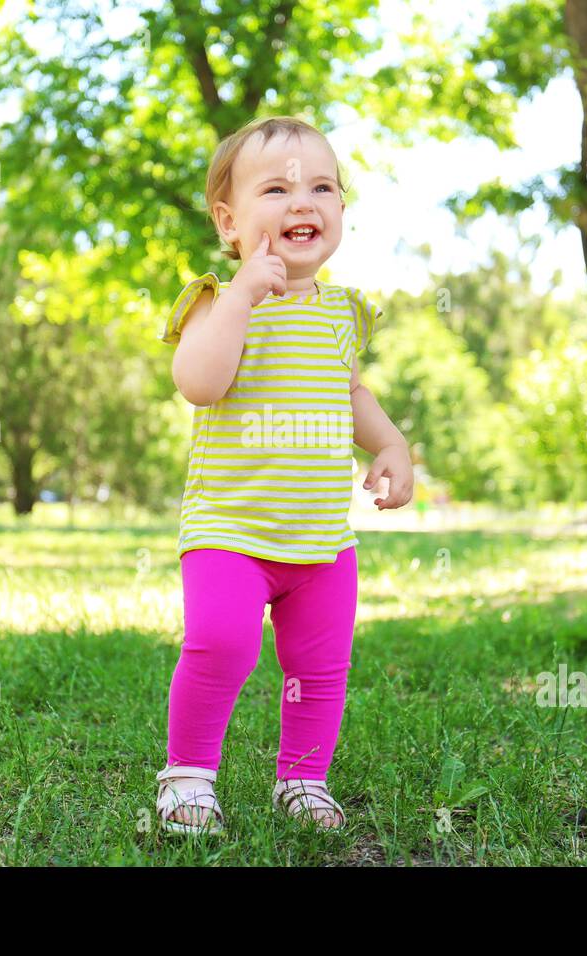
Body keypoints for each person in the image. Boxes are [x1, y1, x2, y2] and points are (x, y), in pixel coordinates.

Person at [155, 116, 413, 833]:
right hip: (229, 529)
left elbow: (350, 392)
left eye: (322, 187)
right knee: (223, 644)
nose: (304, 201)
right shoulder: (215, 299)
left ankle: (302, 781)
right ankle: (188, 778)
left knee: (320, 665)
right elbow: (199, 383)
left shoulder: (341, 311)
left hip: (322, 538)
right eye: (278, 188)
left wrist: (391, 445)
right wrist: (241, 296)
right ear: (229, 221)